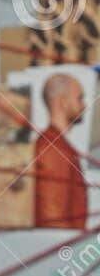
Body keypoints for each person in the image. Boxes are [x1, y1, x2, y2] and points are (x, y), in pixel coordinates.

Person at [33, 72, 89, 228]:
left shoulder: (58, 145)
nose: (84, 105)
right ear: (63, 102)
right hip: (61, 248)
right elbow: (53, 218)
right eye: (79, 98)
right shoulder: (53, 148)